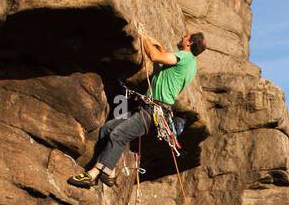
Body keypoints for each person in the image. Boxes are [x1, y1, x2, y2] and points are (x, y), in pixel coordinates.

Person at [68, 26, 206, 187]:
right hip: (148, 108)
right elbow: (164, 56)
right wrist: (156, 44)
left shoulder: (185, 57)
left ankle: (93, 174)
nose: (182, 36)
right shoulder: (190, 63)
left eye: (186, 36)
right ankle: (109, 172)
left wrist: (142, 37)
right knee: (107, 129)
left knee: (118, 135)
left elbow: (155, 56)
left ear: (189, 43)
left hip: (154, 111)